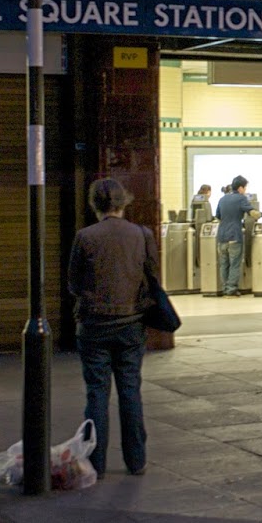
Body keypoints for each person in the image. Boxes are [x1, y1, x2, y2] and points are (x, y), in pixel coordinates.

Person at [67, 178, 155, 478]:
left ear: (95, 204)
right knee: (130, 391)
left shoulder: (85, 237)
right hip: (131, 325)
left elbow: (73, 283)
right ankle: (137, 460)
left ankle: (96, 463)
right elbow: (151, 278)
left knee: (96, 394)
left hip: (93, 327)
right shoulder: (142, 235)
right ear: (123, 202)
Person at [215, 175, 259, 296]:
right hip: (234, 235)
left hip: (222, 236)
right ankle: (231, 290)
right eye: (245, 188)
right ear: (240, 188)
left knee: (224, 263)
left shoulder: (222, 199)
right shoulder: (241, 198)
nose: (245, 190)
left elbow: (218, 216)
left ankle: (225, 288)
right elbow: (252, 213)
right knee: (234, 264)